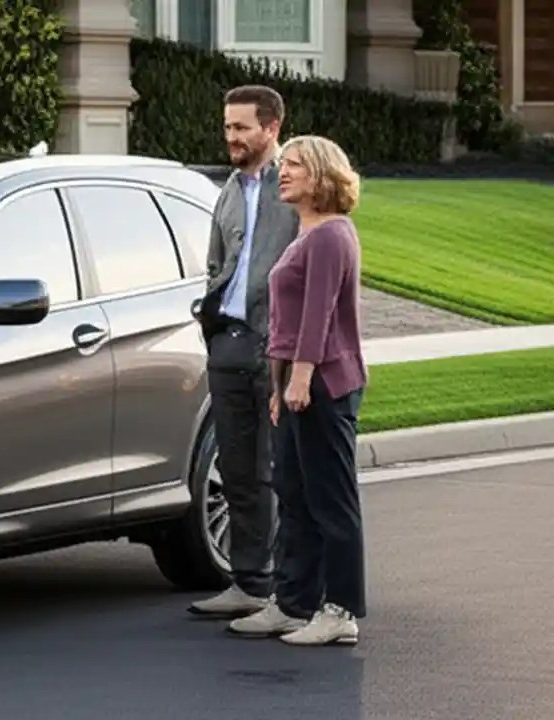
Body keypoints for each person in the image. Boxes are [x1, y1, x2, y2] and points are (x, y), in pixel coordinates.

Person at [227, 134, 368, 646]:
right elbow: (284, 323)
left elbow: (318, 314)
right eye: (283, 165)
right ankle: (293, 602)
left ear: (324, 176)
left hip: (325, 384)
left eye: (296, 166)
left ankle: (340, 610)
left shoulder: (331, 235)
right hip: (296, 387)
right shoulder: (306, 233)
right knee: (294, 493)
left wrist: (302, 377)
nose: (283, 172)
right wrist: (278, 384)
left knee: (330, 501)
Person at [188, 85, 299, 618]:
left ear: (271, 128)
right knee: (237, 472)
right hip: (228, 344)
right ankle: (250, 582)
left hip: (276, 345)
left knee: (285, 472)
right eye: (227, 126)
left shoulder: (297, 184)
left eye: (241, 128)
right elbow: (217, 262)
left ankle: (292, 590)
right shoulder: (229, 188)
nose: (230, 137)